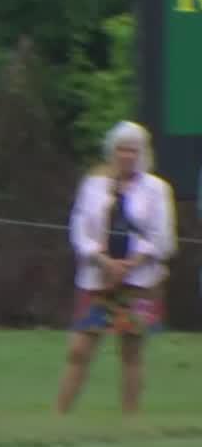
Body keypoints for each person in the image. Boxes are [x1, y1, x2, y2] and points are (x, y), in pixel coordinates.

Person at [54, 120, 175, 415]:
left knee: (131, 351)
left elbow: (162, 239)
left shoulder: (156, 189)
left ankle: (129, 421)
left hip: (138, 283)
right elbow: (80, 230)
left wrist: (130, 264)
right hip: (97, 279)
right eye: (121, 150)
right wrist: (103, 260)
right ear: (112, 152)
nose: (127, 156)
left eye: (133, 150)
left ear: (142, 153)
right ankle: (59, 416)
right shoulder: (93, 185)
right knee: (79, 349)